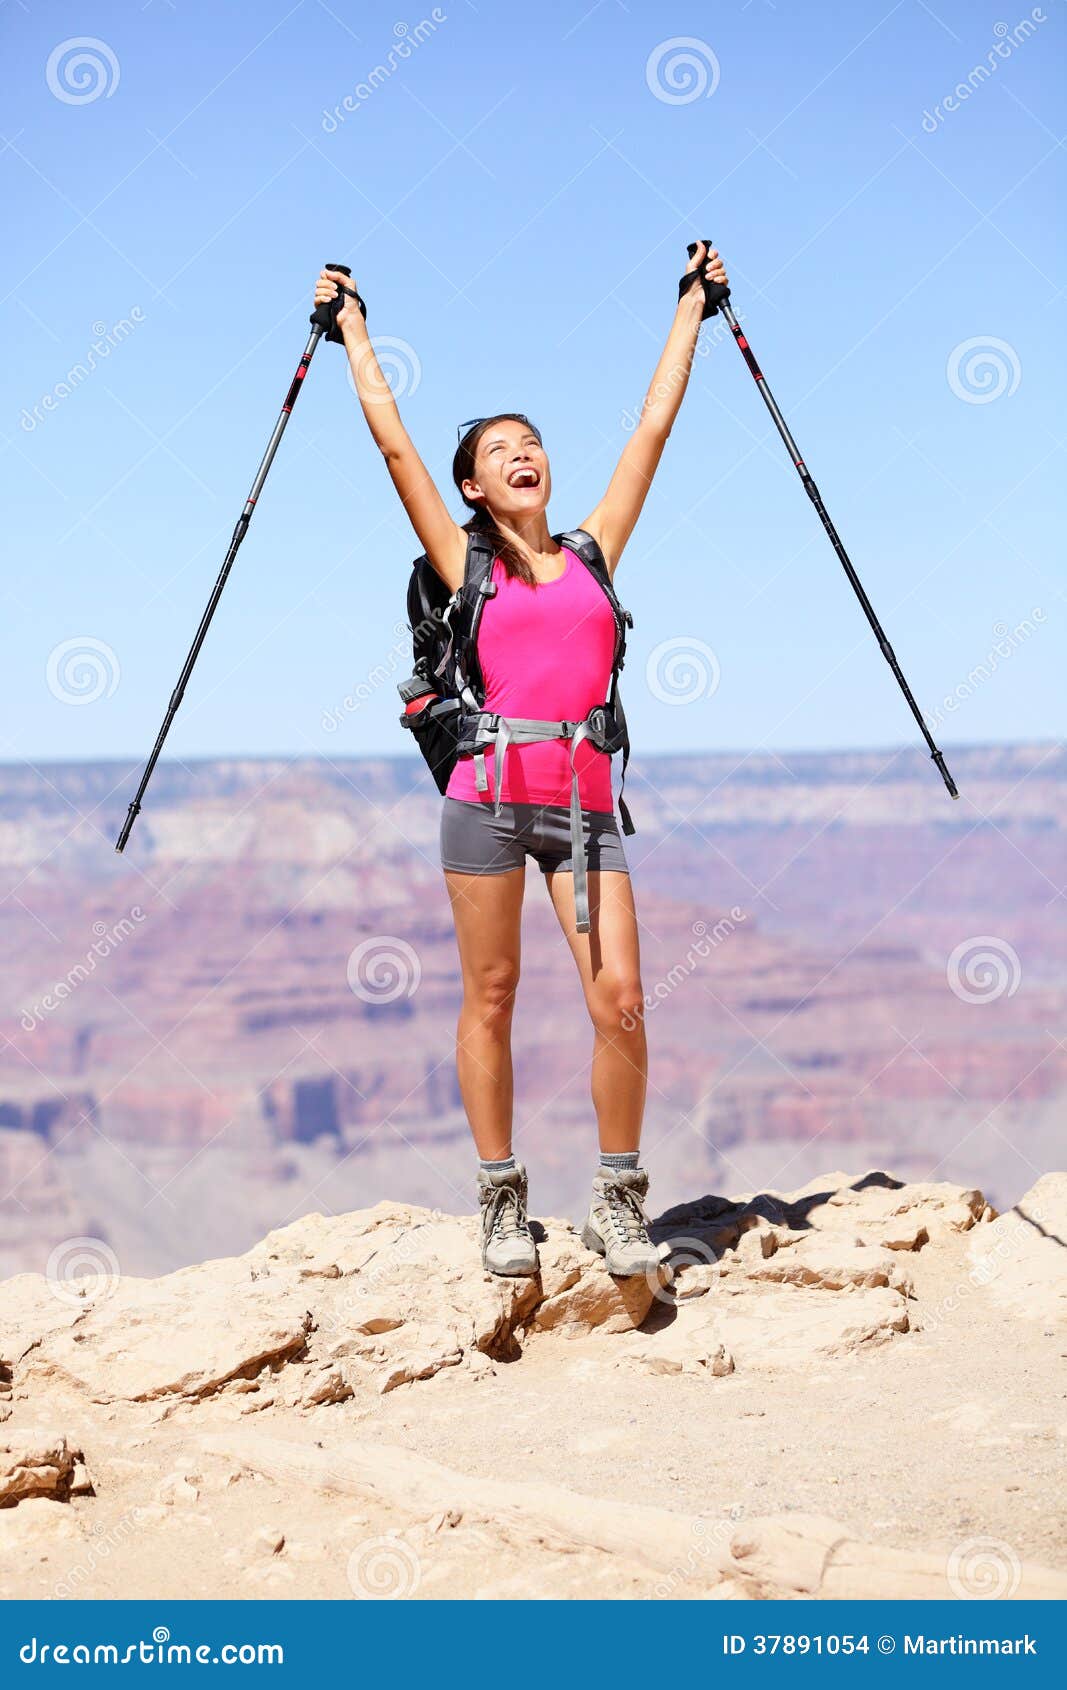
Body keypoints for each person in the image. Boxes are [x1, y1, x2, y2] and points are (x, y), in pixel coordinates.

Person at [312, 242, 728, 1281]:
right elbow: (396, 449)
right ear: (473, 484)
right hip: (487, 804)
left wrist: (689, 308)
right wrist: (353, 328)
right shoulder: (467, 566)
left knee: (621, 999)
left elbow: (651, 427)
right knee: (489, 997)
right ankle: (502, 1199)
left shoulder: (591, 552)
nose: (521, 453)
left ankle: (618, 1198)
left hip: (586, 812)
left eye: (531, 442)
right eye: (499, 449)